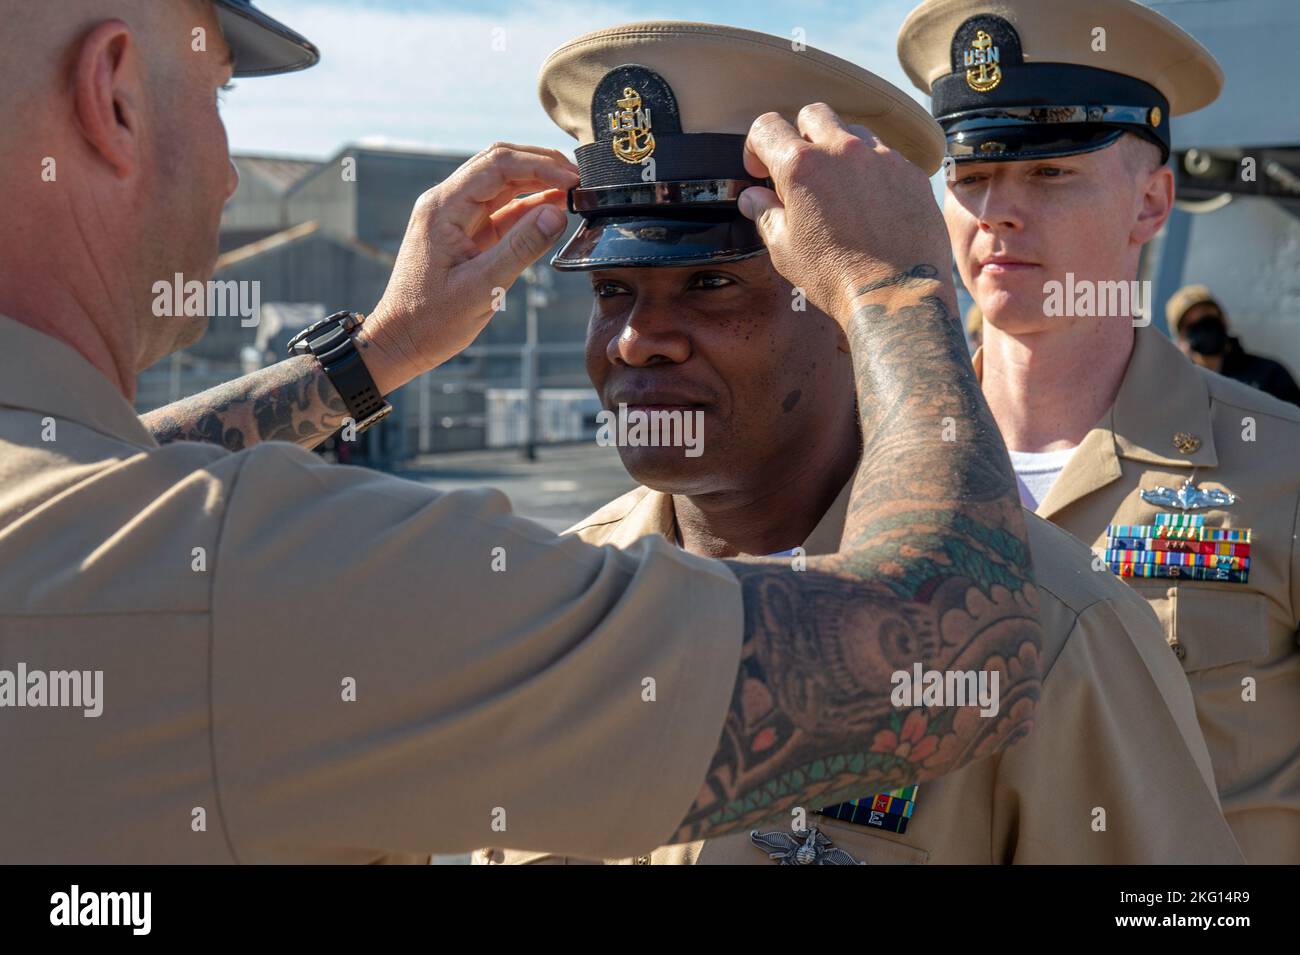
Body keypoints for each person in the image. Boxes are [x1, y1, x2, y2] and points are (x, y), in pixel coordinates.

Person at [0, 1, 1042, 862]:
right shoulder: (250, 579)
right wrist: (895, 290)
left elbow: (109, 476)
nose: (229, 174)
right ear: (117, 93)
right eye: (220, 96)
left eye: (714, 282)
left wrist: (378, 352)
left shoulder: (78, 519)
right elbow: (953, 651)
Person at [473, 22, 1240, 865]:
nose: (638, 339)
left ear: (847, 314)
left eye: (711, 283)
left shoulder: (1053, 629)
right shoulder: (557, 606)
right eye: (613, 288)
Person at [898, 0, 1300, 862]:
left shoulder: (1284, 474)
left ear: (1152, 202)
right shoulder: (855, 473)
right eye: (969, 175)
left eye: (1049, 173)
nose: (995, 210)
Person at [1168, 284, 1300, 407]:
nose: (1203, 330)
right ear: (1181, 340)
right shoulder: (1175, 388)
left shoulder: (1269, 374)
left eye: (1207, 318)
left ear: (1223, 319)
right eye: (1191, 326)